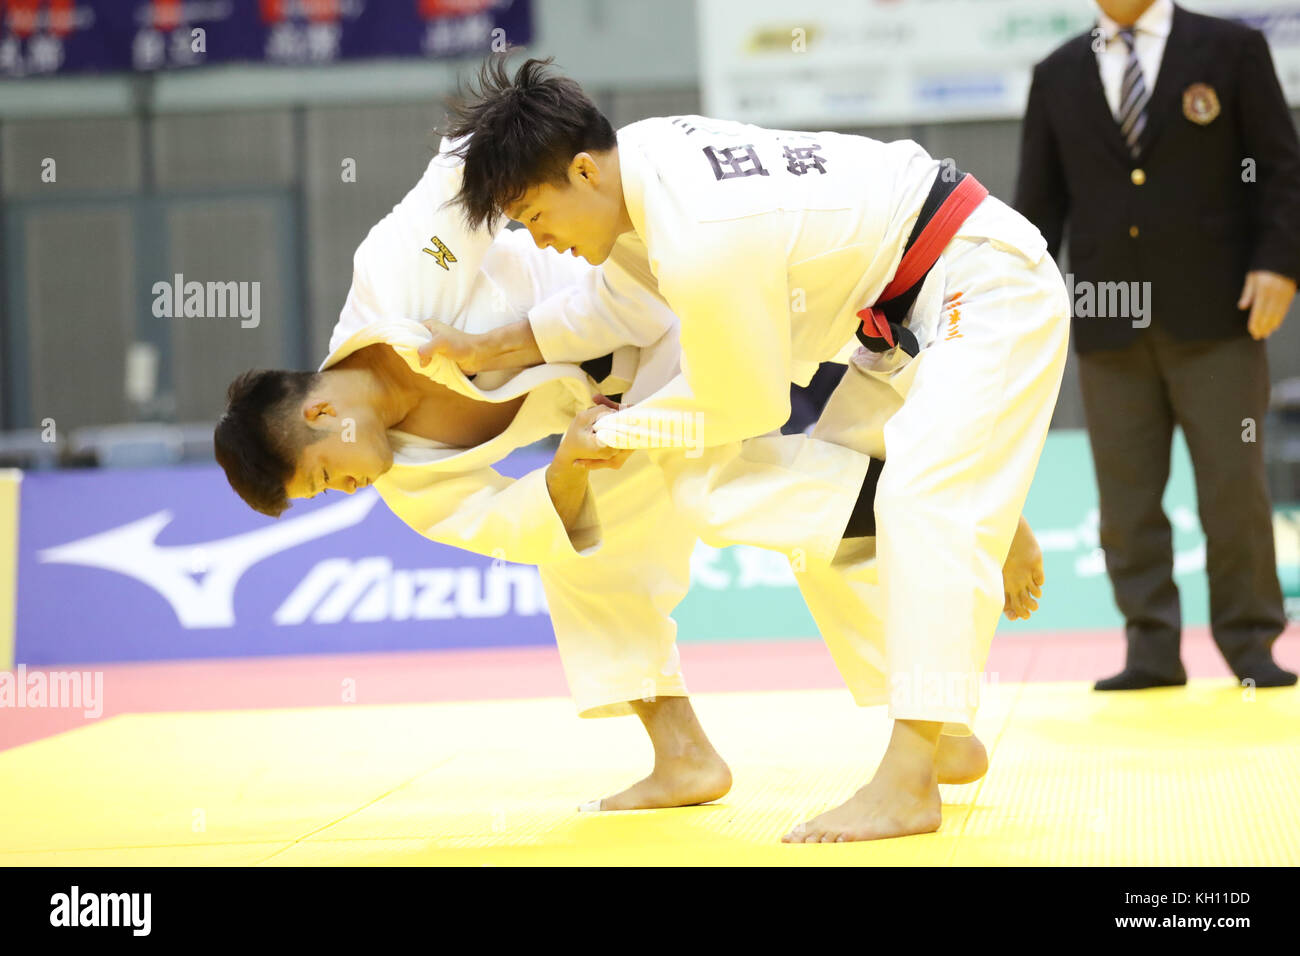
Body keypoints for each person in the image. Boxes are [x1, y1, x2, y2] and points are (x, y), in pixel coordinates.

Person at [215, 143, 1047, 814]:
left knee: (714, 490)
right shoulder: (407, 480)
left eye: (325, 478)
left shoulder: (394, 275)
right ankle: (691, 754)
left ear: (322, 417)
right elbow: (509, 523)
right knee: (581, 557)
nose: (348, 492)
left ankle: (949, 496)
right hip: (607, 408)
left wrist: (528, 181)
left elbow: (464, 163)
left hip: (656, 304)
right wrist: (568, 472)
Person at [443, 56, 1069, 841]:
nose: (541, 240)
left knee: (915, 502)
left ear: (580, 170)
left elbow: (744, 402)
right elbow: (619, 302)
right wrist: (488, 345)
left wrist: (610, 430)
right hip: (896, 323)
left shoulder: (702, 229)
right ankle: (946, 725)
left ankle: (909, 780)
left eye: (537, 216)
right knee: (829, 527)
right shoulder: (638, 170)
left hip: (983, 278)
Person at [1015, 0, 1299, 690]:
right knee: (1126, 500)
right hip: (1107, 323)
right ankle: (1149, 647)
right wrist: (1017, 304)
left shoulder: (1230, 50)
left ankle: (1251, 642)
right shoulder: (1057, 73)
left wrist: (1281, 263)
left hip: (1219, 316)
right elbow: (1036, 211)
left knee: (1233, 489)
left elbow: (1281, 168)